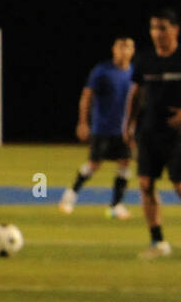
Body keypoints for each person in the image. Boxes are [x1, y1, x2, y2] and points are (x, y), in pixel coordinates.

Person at [123, 8, 181, 259]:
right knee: (145, 184)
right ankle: (158, 242)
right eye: (154, 28)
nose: (157, 33)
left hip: (178, 133)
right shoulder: (145, 60)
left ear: (175, 30)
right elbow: (136, 95)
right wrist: (129, 126)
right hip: (149, 131)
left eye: (163, 27)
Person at [58, 37, 136, 218]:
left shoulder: (134, 73)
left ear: (132, 51)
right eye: (121, 47)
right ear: (114, 49)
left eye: (129, 47)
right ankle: (69, 198)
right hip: (103, 128)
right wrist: (83, 122)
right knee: (94, 164)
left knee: (125, 163)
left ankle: (116, 206)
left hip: (124, 130)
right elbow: (86, 96)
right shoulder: (102, 71)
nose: (125, 50)